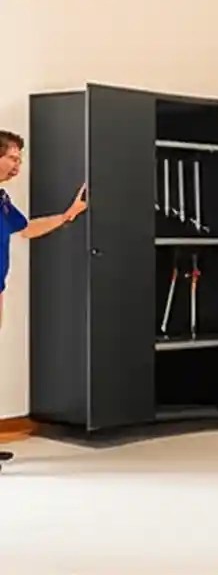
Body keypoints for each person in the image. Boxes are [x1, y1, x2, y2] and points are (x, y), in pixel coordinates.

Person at [0, 129, 88, 469]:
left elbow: (26, 229)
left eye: (19, 159)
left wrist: (69, 214)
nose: (17, 165)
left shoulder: (2, 200)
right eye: (12, 158)